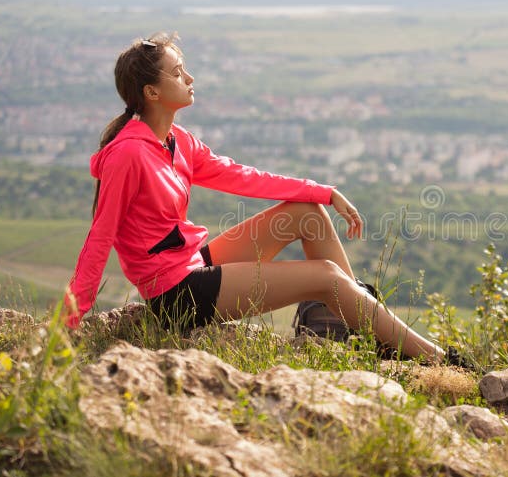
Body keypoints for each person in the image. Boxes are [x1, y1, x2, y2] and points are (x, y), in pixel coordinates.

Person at [63, 32, 452, 364]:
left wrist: (324, 191)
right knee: (327, 277)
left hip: (193, 264)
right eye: (178, 73)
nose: (190, 77)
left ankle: (354, 323)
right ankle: (437, 359)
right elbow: (101, 236)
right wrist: (70, 324)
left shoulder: (176, 142)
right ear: (151, 92)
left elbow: (244, 177)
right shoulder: (128, 154)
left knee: (306, 213)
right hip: (175, 296)